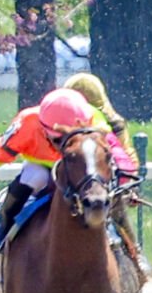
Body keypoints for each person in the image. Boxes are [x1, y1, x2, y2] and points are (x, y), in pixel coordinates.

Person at [0, 86, 138, 250]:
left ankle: (132, 251)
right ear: (43, 129)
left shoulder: (93, 118)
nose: (65, 146)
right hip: (43, 170)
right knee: (35, 175)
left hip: (80, 170)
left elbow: (116, 150)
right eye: (59, 140)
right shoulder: (27, 124)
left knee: (105, 191)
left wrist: (126, 184)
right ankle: (1, 231)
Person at [62, 71, 146, 273]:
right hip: (73, 183)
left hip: (107, 179)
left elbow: (125, 154)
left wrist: (128, 187)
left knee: (117, 210)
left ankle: (135, 256)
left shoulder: (114, 124)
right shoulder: (62, 123)